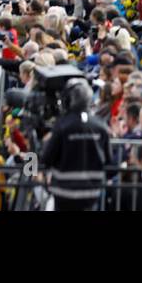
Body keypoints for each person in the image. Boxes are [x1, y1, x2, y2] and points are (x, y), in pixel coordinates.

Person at [41, 78, 111, 211]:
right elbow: (109, 162)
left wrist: (37, 151)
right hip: (92, 194)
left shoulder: (61, 126)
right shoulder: (101, 126)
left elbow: (45, 160)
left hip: (63, 193)